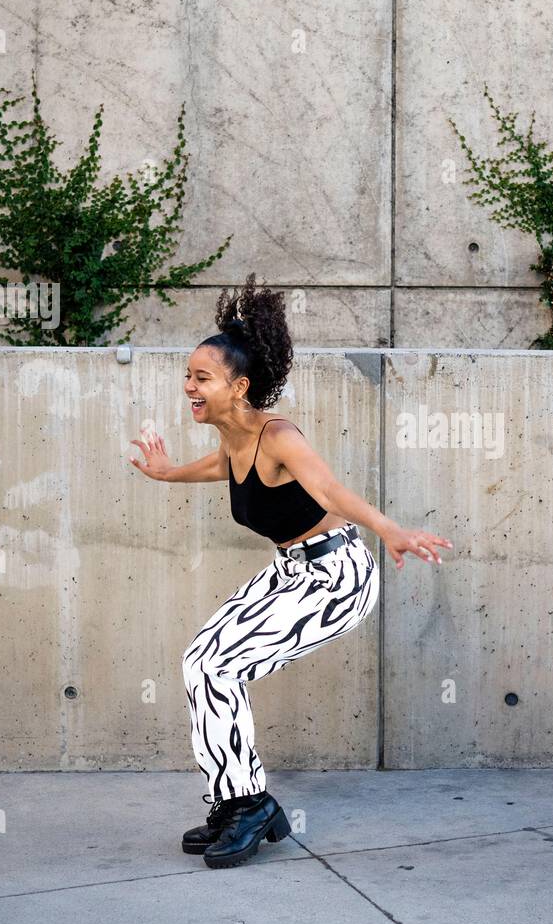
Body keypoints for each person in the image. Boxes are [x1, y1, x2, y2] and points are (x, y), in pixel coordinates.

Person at [128, 272, 452, 869]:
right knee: (201, 662)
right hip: (290, 572)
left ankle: (249, 804)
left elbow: (330, 489)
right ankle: (234, 803)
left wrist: (391, 531)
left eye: (202, 378)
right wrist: (165, 472)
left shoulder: (278, 435)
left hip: (337, 577)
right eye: (188, 377)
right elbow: (218, 467)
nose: (189, 388)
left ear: (239, 385)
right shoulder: (232, 437)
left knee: (220, 666)